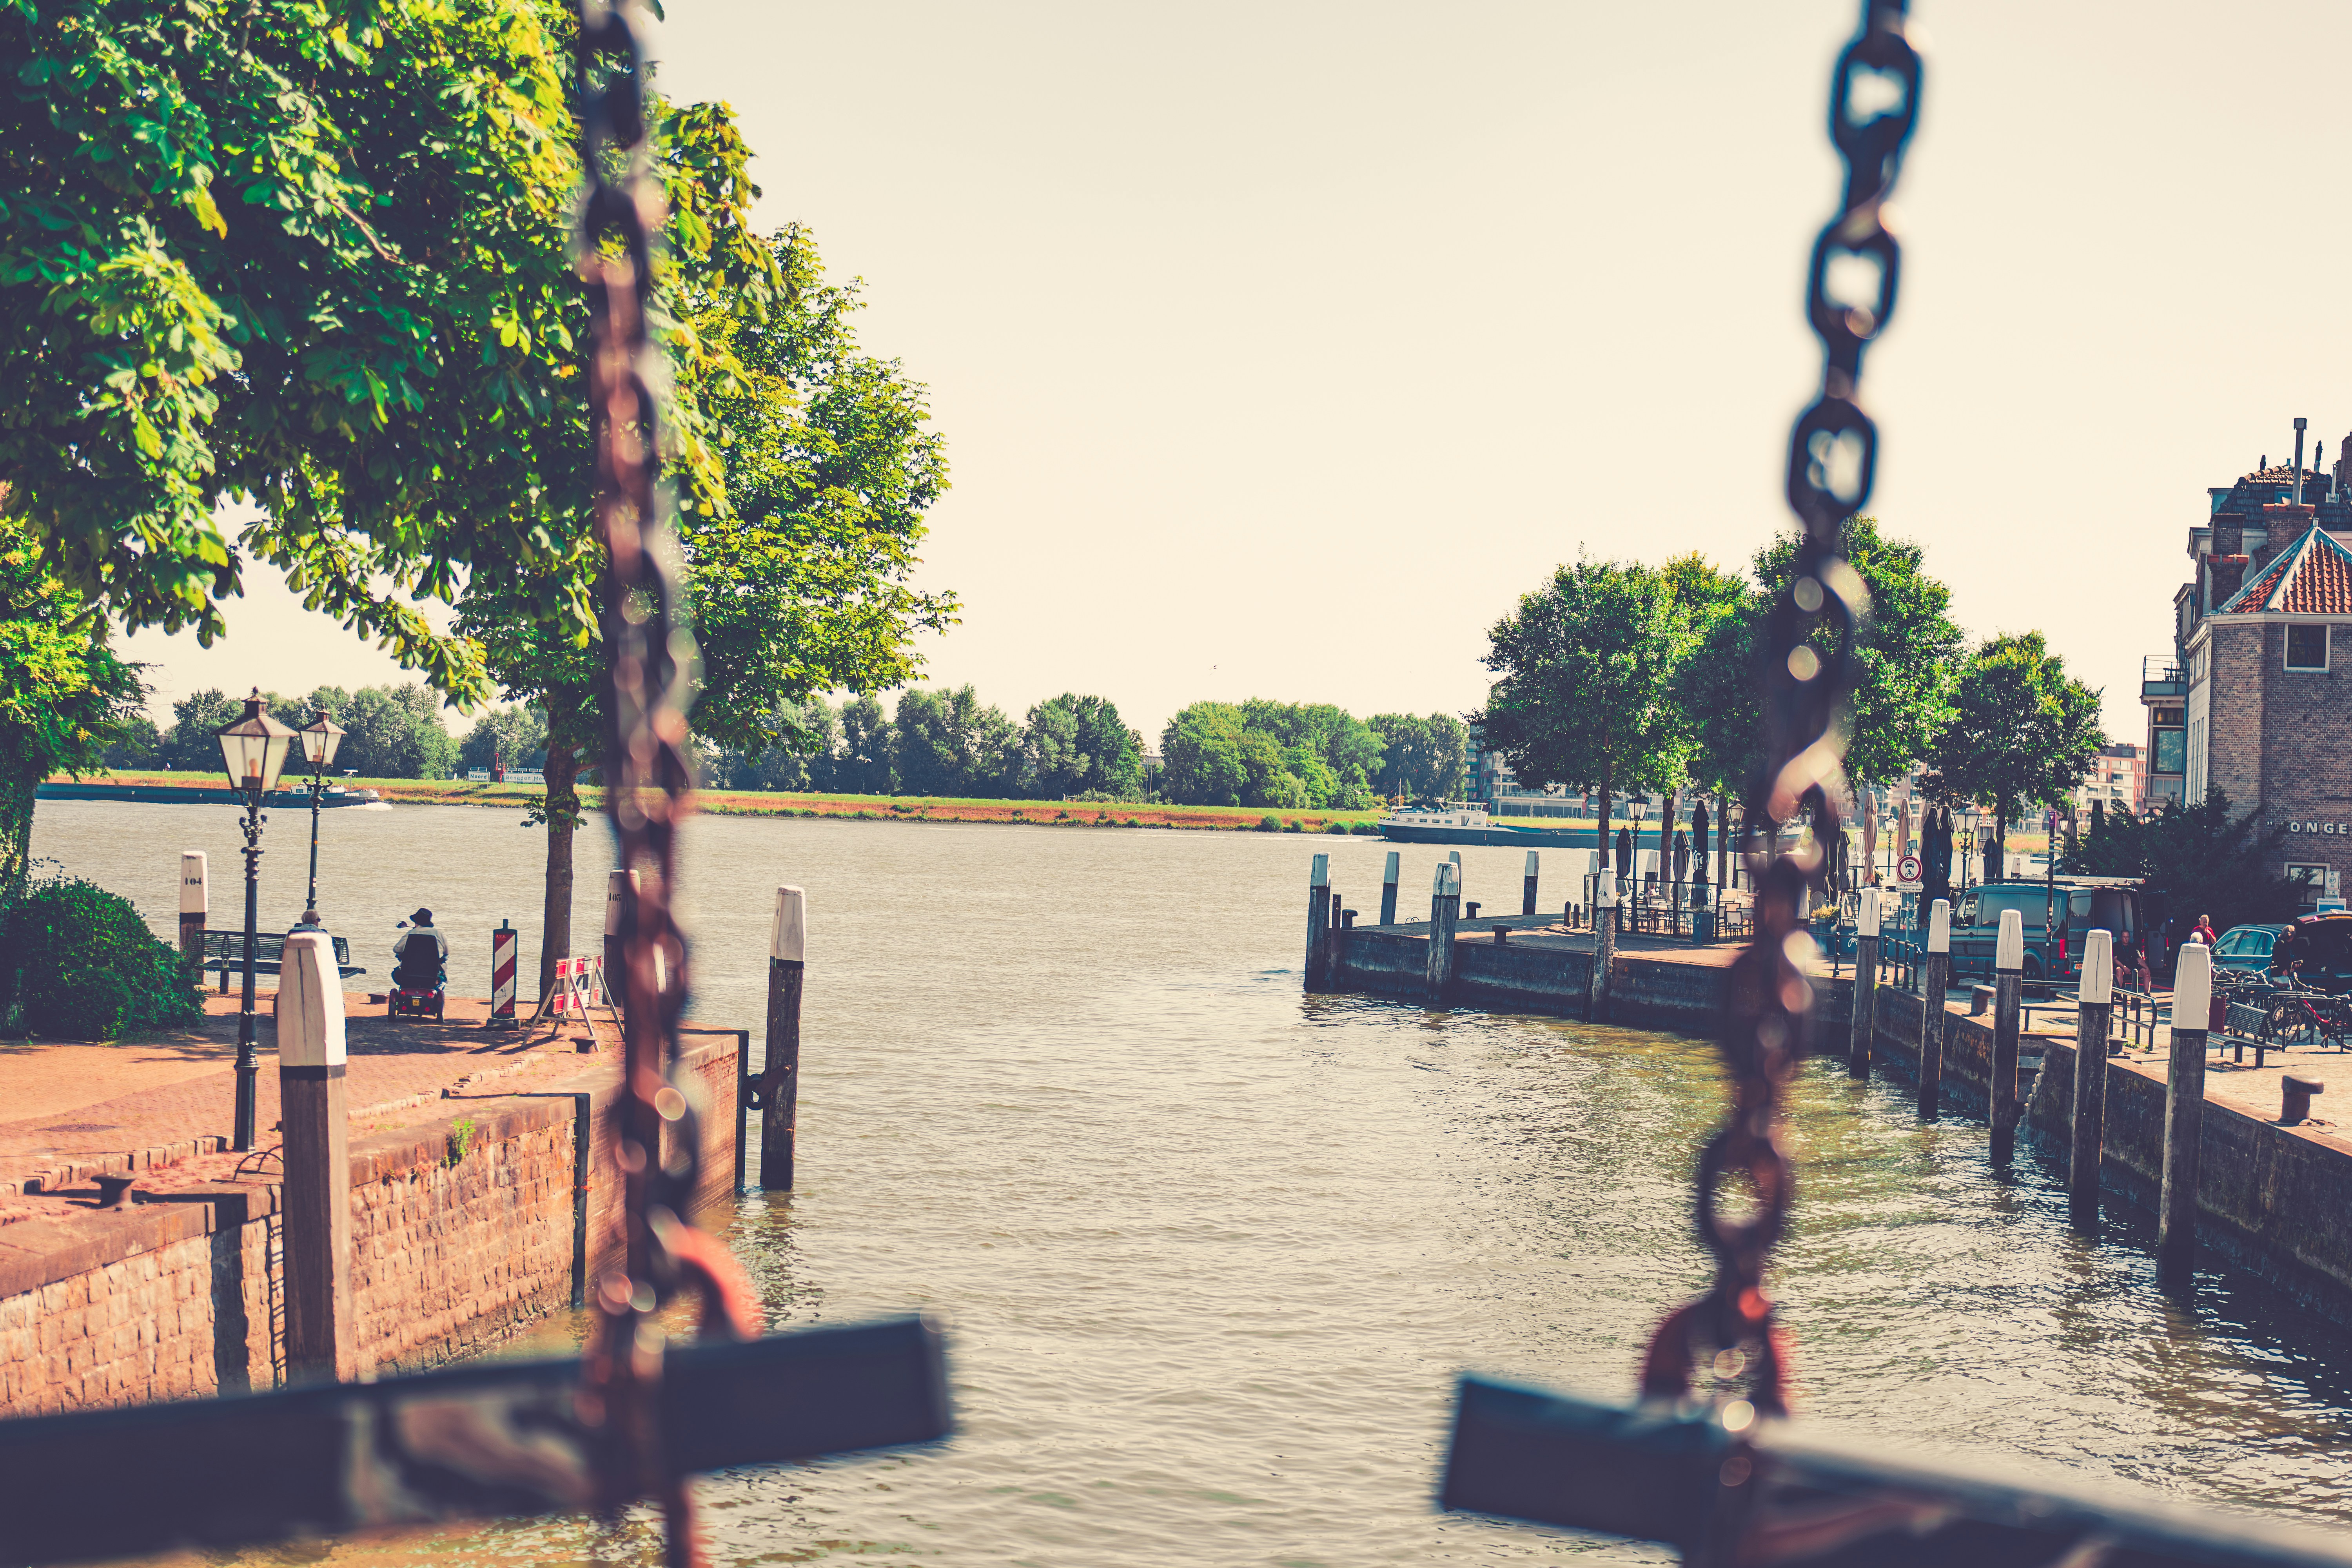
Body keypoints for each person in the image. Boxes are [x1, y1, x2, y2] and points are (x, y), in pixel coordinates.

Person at [394, 907, 449, 989]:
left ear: (416, 923)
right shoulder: (438, 933)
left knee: (396, 973)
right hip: (432, 975)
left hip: (410, 974)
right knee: (443, 978)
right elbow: (447, 952)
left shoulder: (411, 933)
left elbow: (397, 949)